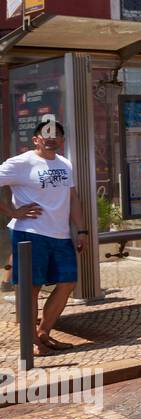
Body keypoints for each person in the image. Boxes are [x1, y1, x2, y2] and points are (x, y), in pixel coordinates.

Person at [0, 121, 87, 355]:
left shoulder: (65, 164)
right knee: (32, 288)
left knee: (67, 283)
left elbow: (73, 198)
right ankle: (31, 344)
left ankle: (43, 333)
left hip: (60, 234)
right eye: (45, 134)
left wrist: (81, 230)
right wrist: (12, 212)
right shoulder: (21, 163)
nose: (51, 139)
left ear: (62, 140)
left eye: (56, 135)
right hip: (30, 234)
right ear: (36, 139)